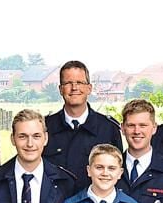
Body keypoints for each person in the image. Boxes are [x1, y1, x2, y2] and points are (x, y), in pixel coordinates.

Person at [44, 60, 123, 191]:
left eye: (80, 83)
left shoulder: (108, 129)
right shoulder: (45, 128)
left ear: (89, 88)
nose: (74, 88)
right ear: (60, 89)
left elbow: (117, 175)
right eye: (68, 83)